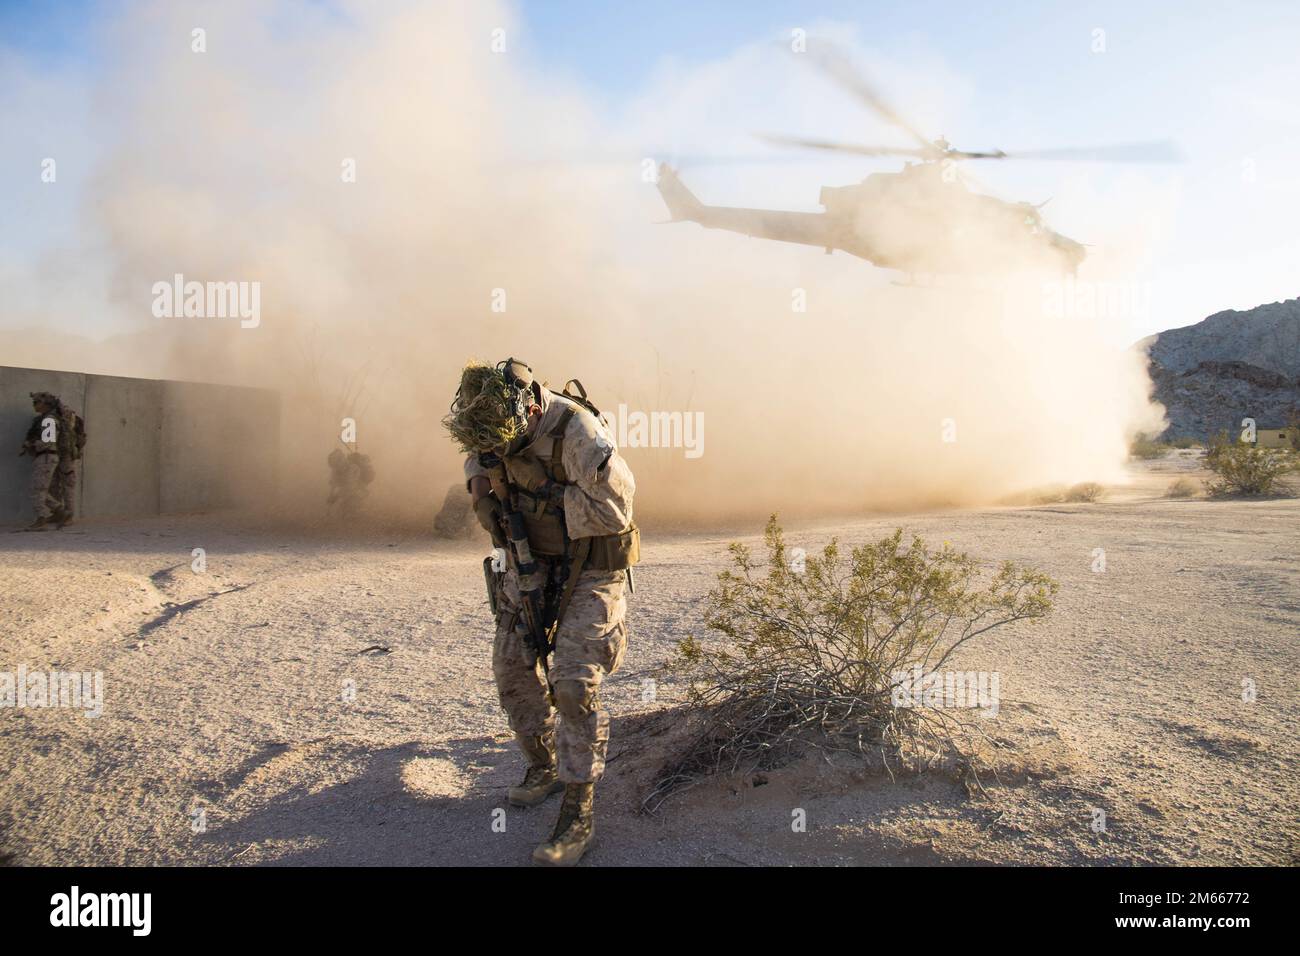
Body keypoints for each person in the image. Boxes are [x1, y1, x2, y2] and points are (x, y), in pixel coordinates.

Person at [443, 358, 639, 866]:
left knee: (573, 685)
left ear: (531, 412)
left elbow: (614, 514)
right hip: (529, 563)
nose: (494, 451)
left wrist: (534, 501)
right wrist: (482, 496)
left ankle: (579, 812)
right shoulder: (491, 422)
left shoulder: (580, 436)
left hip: (590, 566)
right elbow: (479, 459)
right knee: (512, 670)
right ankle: (543, 766)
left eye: (505, 443)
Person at [18, 391, 83, 531]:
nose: (34, 405)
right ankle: (60, 512)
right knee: (42, 488)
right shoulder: (49, 419)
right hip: (50, 457)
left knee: (38, 489)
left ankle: (46, 517)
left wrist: (31, 444)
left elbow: (48, 441)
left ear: (46, 404)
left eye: (36, 402)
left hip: (46, 456)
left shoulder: (48, 420)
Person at [326, 448, 374, 519]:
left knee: (352, 504)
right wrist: (331, 497)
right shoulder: (335, 471)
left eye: (339, 460)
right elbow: (333, 485)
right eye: (335, 464)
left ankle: (361, 510)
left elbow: (350, 487)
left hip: (358, 491)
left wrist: (336, 496)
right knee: (344, 509)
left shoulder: (353, 468)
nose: (337, 465)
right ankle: (352, 510)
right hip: (349, 492)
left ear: (344, 458)